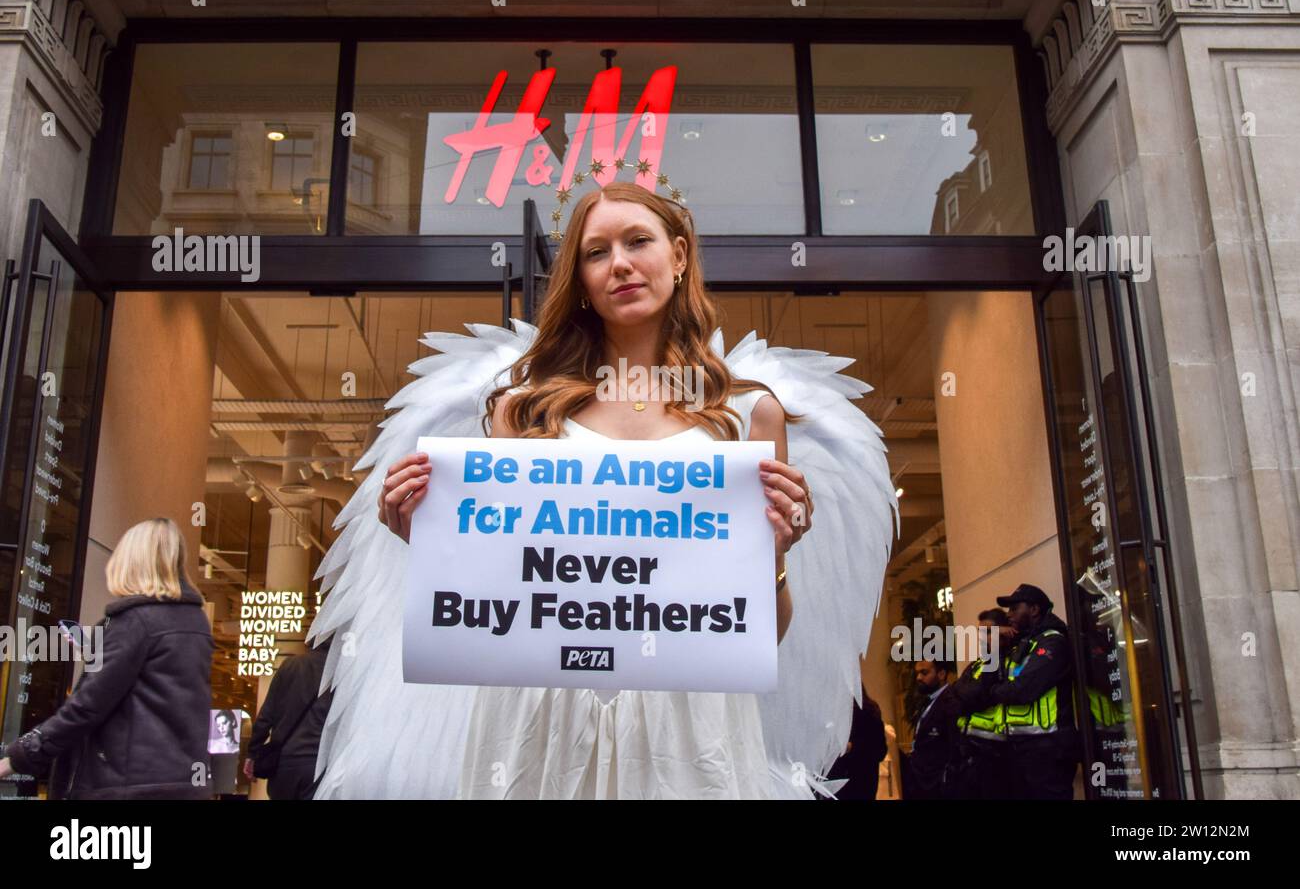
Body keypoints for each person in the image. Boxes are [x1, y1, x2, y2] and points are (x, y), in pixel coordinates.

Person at [311, 176, 898, 799]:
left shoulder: (749, 415)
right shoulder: (525, 412)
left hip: (689, 724)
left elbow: (762, 631)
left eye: (637, 241)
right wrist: (426, 539)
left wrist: (776, 554)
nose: (619, 263)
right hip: (541, 717)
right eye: (596, 252)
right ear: (581, 281)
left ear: (678, 255)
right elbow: (503, 583)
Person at [0, 518, 213, 799]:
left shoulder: (136, 620)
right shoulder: (196, 621)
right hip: (181, 785)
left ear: (130, 561)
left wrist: (16, 759)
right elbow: (156, 690)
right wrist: (98, 654)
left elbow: (87, 707)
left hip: (126, 788)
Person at [975, 584, 1079, 800]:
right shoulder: (1020, 644)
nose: (1009, 615)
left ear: (1034, 609)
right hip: (1021, 750)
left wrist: (996, 692)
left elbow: (1021, 691)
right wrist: (993, 642)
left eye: (1014, 608)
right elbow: (986, 687)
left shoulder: (1052, 641)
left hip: (1048, 750)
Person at [245, 639, 334, 800]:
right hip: (319, 765)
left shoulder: (290, 666)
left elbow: (267, 715)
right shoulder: (338, 673)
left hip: (285, 763)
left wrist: (253, 753)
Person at [949, 607, 1016, 799]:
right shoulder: (977, 664)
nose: (982, 638)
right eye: (981, 633)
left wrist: (968, 696)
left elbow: (981, 693)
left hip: (995, 756)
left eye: (990, 632)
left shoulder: (1008, 661)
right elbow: (955, 695)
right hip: (967, 753)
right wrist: (966, 696)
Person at [905, 659, 961, 799]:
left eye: (924, 673)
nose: (918, 678)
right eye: (917, 673)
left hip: (937, 786)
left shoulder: (951, 702)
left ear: (941, 674)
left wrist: (943, 779)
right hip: (921, 782)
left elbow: (955, 747)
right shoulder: (926, 701)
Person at [821, 687, 888, 800]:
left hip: (858, 781)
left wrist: (852, 746)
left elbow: (879, 750)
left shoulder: (867, 713)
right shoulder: (831, 713)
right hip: (838, 782)